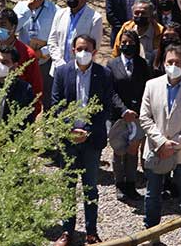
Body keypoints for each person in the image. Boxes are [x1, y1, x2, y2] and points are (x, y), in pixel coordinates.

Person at [139, 43, 181, 246]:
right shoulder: (152, 85)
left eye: (177, 62)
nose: (173, 65)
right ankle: (151, 236)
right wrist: (161, 143)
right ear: (163, 63)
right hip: (156, 149)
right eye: (169, 62)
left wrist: (173, 144)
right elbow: (145, 117)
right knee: (152, 196)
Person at [50, 34, 112, 246]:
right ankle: (67, 230)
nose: (83, 52)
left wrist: (88, 132)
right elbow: (56, 104)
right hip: (69, 140)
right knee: (68, 187)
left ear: (94, 52)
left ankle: (91, 231)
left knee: (90, 188)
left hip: (91, 140)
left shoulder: (103, 74)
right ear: (72, 50)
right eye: (79, 48)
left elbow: (105, 107)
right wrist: (70, 130)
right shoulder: (62, 72)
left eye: (87, 49)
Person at [107, 29, 150, 202]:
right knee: (119, 150)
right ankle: (119, 184)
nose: (127, 46)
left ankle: (131, 184)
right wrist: (124, 110)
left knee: (133, 149)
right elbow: (110, 91)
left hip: (138, 115)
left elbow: (148, 89)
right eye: (123, 43)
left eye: (130, 43)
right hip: (118, 115)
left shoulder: (143, 64)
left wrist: (138, 111)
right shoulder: (111, 64)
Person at [48, 0, 104, 77]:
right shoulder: (60, 14)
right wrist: (59, 62)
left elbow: (94, 48)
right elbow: (52, 41)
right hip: (58, 69)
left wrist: (76, 65)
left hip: (81, 71)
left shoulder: (95, 18)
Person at [14, 0, 58, 97]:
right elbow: (12, 30)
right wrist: (28, 9)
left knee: (47, 97)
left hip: (45, 59)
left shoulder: (55, 10)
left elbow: (58, 39)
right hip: (23, 59)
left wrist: (42, 52)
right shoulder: (20, 7)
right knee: (22, 97)